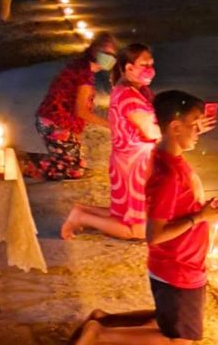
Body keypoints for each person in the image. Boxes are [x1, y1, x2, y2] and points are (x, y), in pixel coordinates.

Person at [67, 89, 218, 345]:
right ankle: (100, 334)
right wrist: (200, 217)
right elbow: (155, 235)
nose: (199, 132)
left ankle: (104, 319)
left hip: (180, 264)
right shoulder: (169, 174)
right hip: (178, 266)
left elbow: (180, 205)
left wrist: (209, 208)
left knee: (166, 318)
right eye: (195, 125)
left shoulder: (167, 158)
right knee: (180, 340)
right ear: (175, 127)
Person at [60, 44, 161, 240]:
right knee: (137, 230)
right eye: (144, 64)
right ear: (129, 67)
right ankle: (82, 217)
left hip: (127, 162)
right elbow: (151, 131)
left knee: (125, 215)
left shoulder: (129, 89)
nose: (149, 68)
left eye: (151, 64)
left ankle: (81, 210)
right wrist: (179, 130)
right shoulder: (129, 97)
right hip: (133, 168)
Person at [34, 32, 118, 179]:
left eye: (112, 55)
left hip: (56, 121)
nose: (109, 59)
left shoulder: (83, 67)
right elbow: (81, 111)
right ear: (95, 51)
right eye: (105, 53)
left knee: (78, 162)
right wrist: (110, 124)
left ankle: (46, 159)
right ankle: (28, 166)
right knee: (75, 170)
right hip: (53, 122)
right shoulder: (83, 74)